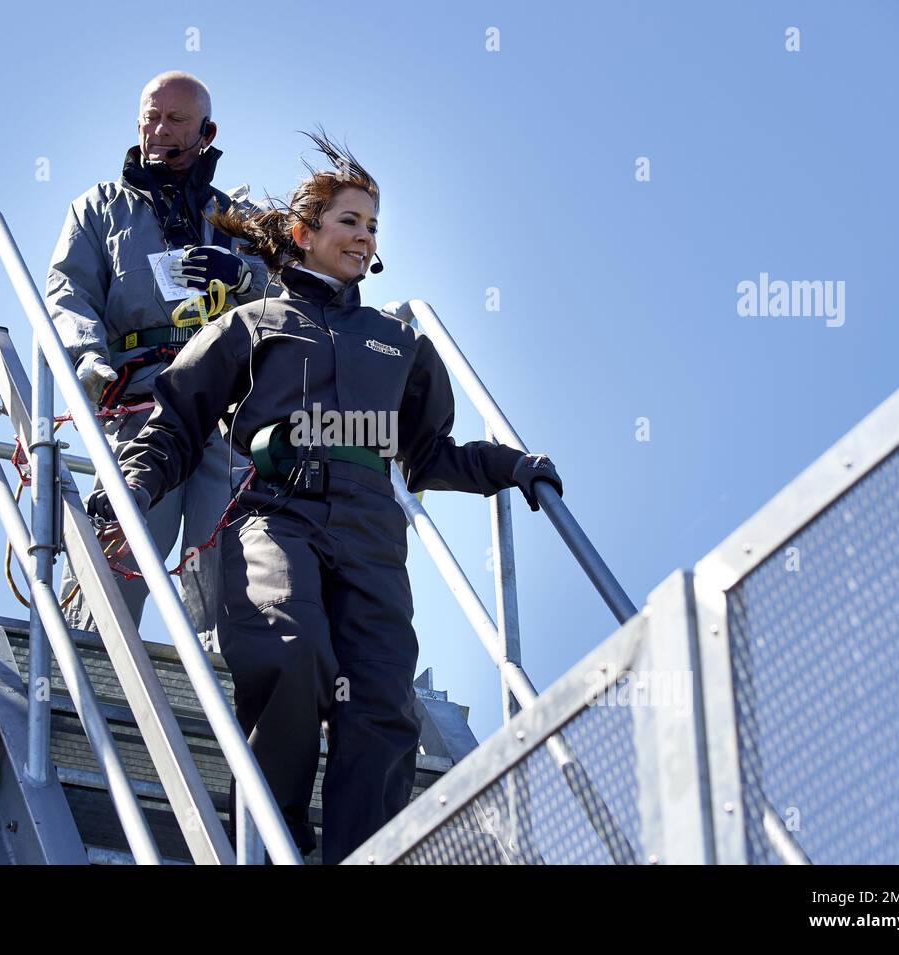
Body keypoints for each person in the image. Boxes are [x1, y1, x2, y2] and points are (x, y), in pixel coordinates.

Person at [88, 132, 564, 863]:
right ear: (305, 234)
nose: (365, 236)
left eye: (373, 226)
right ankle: (272, 833)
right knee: (290, 648)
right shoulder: (251, 323)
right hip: (277, 514)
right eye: (350, 220)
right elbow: (177, 420)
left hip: (372, 532)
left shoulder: (398, 341)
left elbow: (429, 453)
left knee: (381, 702)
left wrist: (513, 465)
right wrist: (135, 488)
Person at [47, 71, 269, 647]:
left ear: (206, 131)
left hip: (225, 399)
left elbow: (289, 302)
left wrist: (244, 273)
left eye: (175, 119)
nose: (158, 129)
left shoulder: (236, 220)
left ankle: (230, 671)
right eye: (150, 115)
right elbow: (69, 292)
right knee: (129, 519)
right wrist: (87, 358)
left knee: (232, 534)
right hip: (142, 393)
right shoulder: (98, 209)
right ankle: (90, 658)